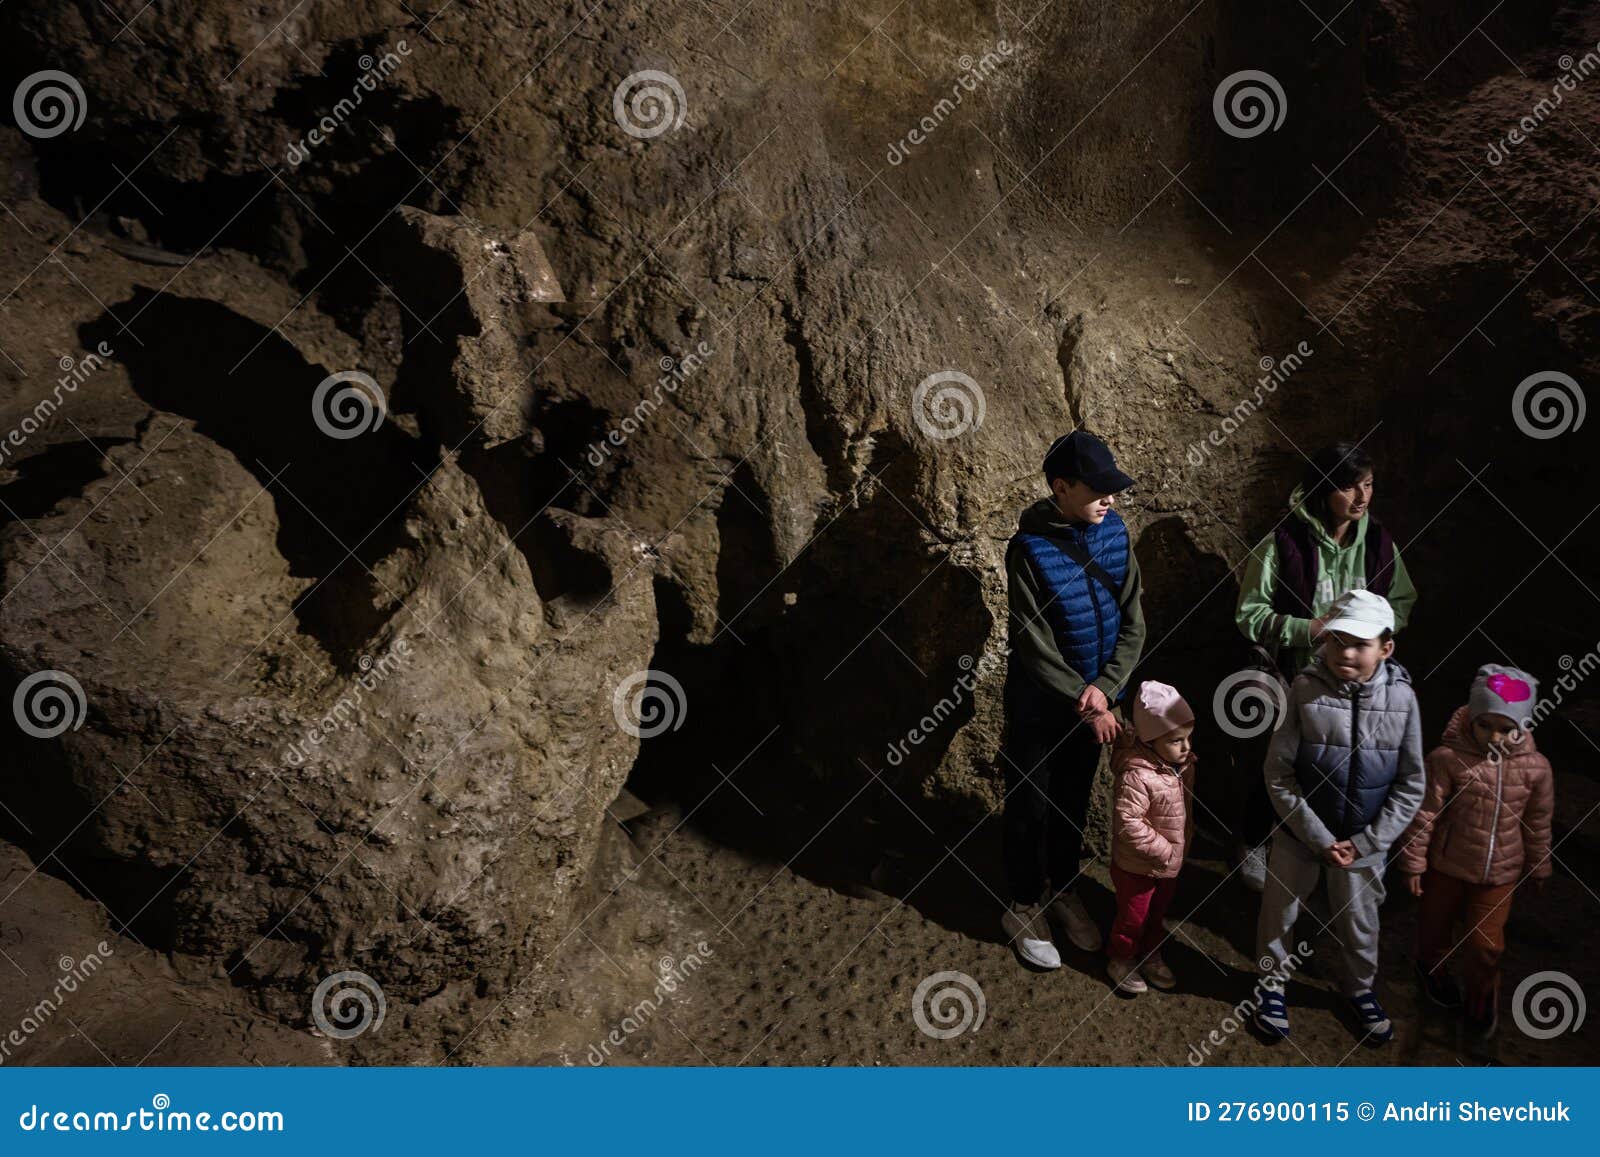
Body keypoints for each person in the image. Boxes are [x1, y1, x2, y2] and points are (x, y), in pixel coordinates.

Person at [1232, 442, 1418, 892]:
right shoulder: (1282, 545)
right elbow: (1249, 616)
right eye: (1348, 487)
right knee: (1284, 762)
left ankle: (1347, 851)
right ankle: (1255, 842)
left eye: (1368, 485)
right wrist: (1312, 630)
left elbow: (1403, 601)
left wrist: (1367, 637)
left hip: (1361, 681)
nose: (1361, 497)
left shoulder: (1378, 543)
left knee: (1353, 768)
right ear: (1321, 488)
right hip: (1297, 677)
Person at [1252, 589, 1425, 1045]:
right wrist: (1313, 833)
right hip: (1299, 835)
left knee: (1360, 921)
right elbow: (1278, 771)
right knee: (1280, 913)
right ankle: (1271, 986)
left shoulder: (1404, 701)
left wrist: (1369, 842)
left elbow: (1411, 784)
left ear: (1385, 648)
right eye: (1337, 640)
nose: (1345, 652)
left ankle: (1359, 989)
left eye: (1360, 643)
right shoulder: (1304, 689)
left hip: (1364, 842)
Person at [1001, 431, 1147, 970]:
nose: (1109, 500)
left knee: (1071, 799)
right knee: (1030, 803)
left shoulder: (1117, 535)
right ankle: (1021, 903)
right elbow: (1030, 638)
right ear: (1060, 488)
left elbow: (1133, 623)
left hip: (1097, 703)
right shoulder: (1028, 550)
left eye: (1112, 489)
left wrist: (1105, 689)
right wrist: (1088, 700)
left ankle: (1062, 887)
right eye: (1097, 490)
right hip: (1043, 703)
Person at [1397, 664, 1554, 1057]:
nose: (1495, 737)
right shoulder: (1448, 759)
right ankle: (1431, 971)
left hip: (1498, 875)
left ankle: (1481, 1001)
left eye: (1506, 728)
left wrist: (1539, 863)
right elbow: (1426, 813)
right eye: (1486, 725)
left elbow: (1537, 821)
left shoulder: (1536, 769)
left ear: (1522, 727)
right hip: (1447, 867)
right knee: (1434, 930)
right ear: (1471, 718)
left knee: (1487, 947)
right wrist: (1414, 861)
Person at [1106, 681, 1196, 994]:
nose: (1186, 747)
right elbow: (1128, 822)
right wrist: (1165, 850)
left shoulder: (1179, 765)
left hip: (1168, 863)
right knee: (1133, 916)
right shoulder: (1137, 774)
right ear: (1150, 738)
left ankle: (1150, 952)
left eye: (1187, 738)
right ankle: (1120, 957)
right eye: (1176, 740)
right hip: (1138, 865)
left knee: (1157, 914)